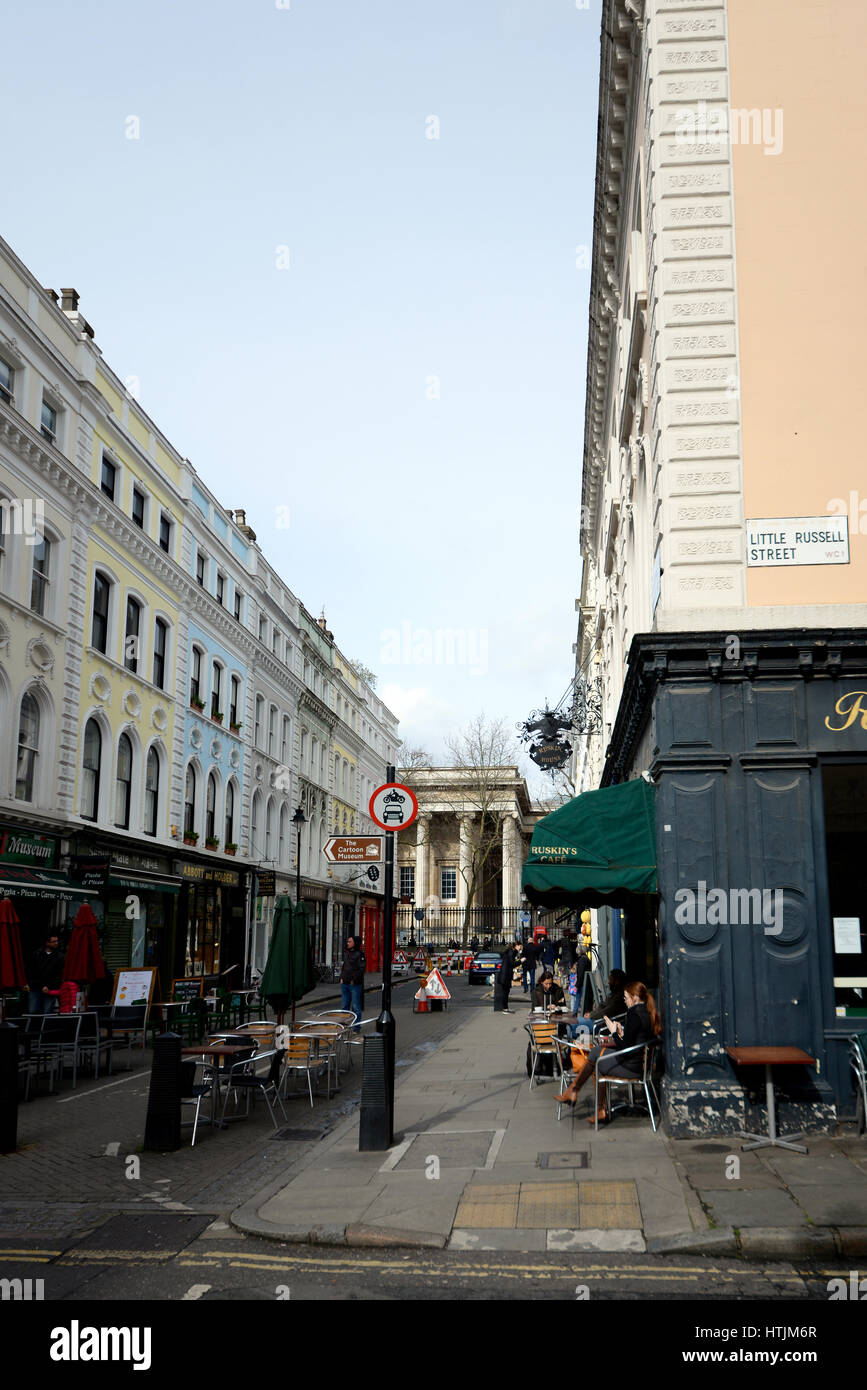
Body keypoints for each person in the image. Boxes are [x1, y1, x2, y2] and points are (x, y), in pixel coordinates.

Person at [555, 980, 660, 1123]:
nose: (625, 1001)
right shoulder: (646, 1012)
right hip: (640, 1064)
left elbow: (625, 1049)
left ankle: (578, 1094)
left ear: (634, 998)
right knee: (597, 1057)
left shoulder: (634, 1015)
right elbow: (634, 1040)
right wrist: (622, 1032)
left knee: (595, 1057)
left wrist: (614, 1032)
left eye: (626, 998)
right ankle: (584, 1099)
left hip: (631, 1067)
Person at [28, 933, 65, 1014]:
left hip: (50, 988)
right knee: (33, 1011)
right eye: (54, 941)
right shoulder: (37, 954)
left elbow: (59, 974)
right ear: (47, 943)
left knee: (47, 1012)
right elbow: (32, 970)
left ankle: (44, 1027)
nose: (56, 943)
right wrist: (31, 983)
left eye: (57, 941)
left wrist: (49, 986)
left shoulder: (60, 956)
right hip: (36, 986)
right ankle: (33, 1026)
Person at [340, 935, 365, 1029]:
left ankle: (356, 1027)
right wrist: (342, 978)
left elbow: (361, 969)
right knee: (344, 1007)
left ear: (355, 943)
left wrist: (353, 980)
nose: (348, 943)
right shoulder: (347, 953)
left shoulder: (360, 954)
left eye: (350, 942)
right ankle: (344, 1027)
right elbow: (345, 966)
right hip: (345, 983)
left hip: (354, 985)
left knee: (355, 1007)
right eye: (347, 942)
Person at [566, 946, 592, 1037]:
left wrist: (577, 985)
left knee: (578, 999)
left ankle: (575, 1014)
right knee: (581, 999)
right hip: (586, 983)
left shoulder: (581, 960)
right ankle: (579, 1013)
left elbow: (580, 973)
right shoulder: (587, 959)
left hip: (582, 983)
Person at [492, 944, 515, 1013]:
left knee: (505, 992)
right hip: (506, 976)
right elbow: (512, 964)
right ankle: (505, 1008)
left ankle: (505, 1008)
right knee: (505, 993)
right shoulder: (510, 954)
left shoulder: (506, 954)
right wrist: (520, 961)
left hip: (504, 976)